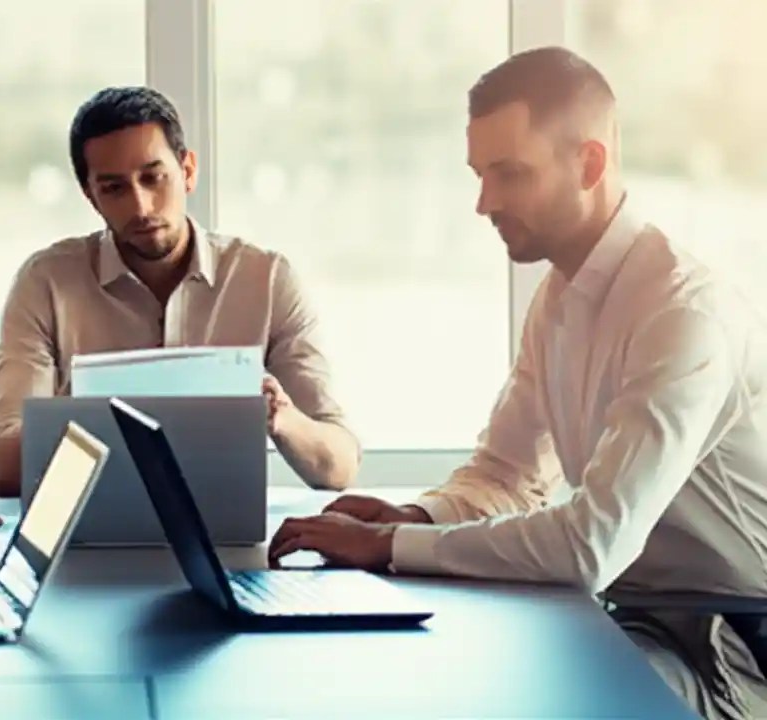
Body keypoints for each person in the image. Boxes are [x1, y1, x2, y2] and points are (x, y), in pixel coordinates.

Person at [267, 47, 767, 718]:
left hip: (733, 643)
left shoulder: (683, 315)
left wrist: (388, 547)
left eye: (509, 174)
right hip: (635, 617)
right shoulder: (561, 297)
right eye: (479, 175)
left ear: (589, 164)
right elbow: (507, 476)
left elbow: (590, 545)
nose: (484, 202)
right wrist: (417, 517)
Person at [0, 86, 361, 497]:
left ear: (188, 170)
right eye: (114, 188)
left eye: (153, 177)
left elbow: (338, 466)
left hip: (225, 537)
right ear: (90, 196)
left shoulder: (265, 279)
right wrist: (88, 414)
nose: (141, 206)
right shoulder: (46, 282)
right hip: (92, 532)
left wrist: (280, 417)